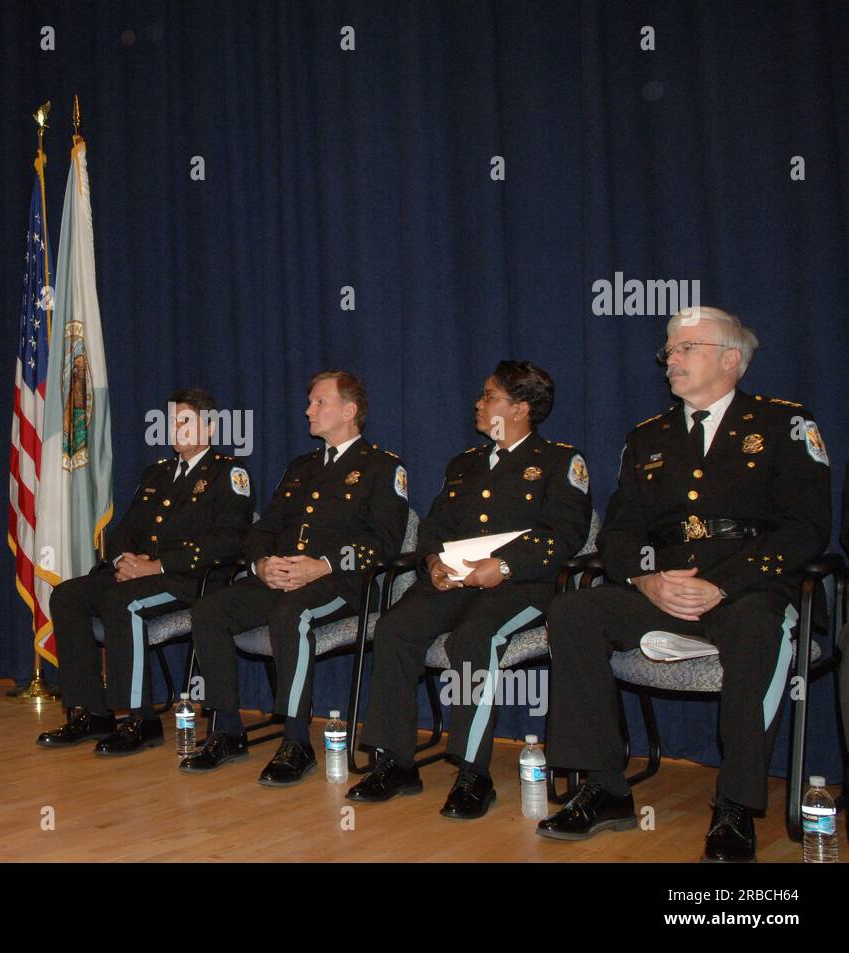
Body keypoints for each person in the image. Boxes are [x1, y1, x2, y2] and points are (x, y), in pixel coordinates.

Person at [537, 306, 830, 862]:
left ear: (730, 360)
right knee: (575, 611)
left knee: (756, 626)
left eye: (685, 348)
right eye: (668, 350)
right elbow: (619, 532)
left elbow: (808, 529)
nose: (670, 359)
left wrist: (725, 584)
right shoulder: (648, 437)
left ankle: (737, 806)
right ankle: (603, 787)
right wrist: (646, 579)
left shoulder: (783, 425)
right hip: (664, 587)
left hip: (748, 588)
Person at [347, 361, 592, 817]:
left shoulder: (560, 462)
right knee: (395, 628)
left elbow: (565, 534)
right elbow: (434, 525)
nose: (478, 404)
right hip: (456, 581)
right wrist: (433, 560)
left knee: (475, 638)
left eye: (489, 396)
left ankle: (473, 772)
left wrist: (504, 565)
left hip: (523, 586)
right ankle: (396, 761)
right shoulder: (464, 463)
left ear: (520, 408)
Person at [181, 371, 409, 786]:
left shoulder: (382, 467)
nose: (308, 410)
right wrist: (262, 564)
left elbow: (386, 543)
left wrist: (323, 565)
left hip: (342, 584)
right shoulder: (300, 468)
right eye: (310, 402)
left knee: (291, 614)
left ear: (349, 410)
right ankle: (227, 730)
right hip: (281, 576)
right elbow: (262, 530)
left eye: (319, 402)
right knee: (210, 610)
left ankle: (296, 742)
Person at [36, 390, 254, 755]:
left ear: (210, 427)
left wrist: (158, 566)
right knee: (67, 595)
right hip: (141, 573)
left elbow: (230, 542)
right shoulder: (158, 472)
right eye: (173, 421)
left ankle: (142, 720)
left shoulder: (228, 473)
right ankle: (93, 710)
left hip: (190, 579)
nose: (176, 428)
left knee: (123, 602)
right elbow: (126, 529)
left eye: (185, 420)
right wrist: (123, 559)